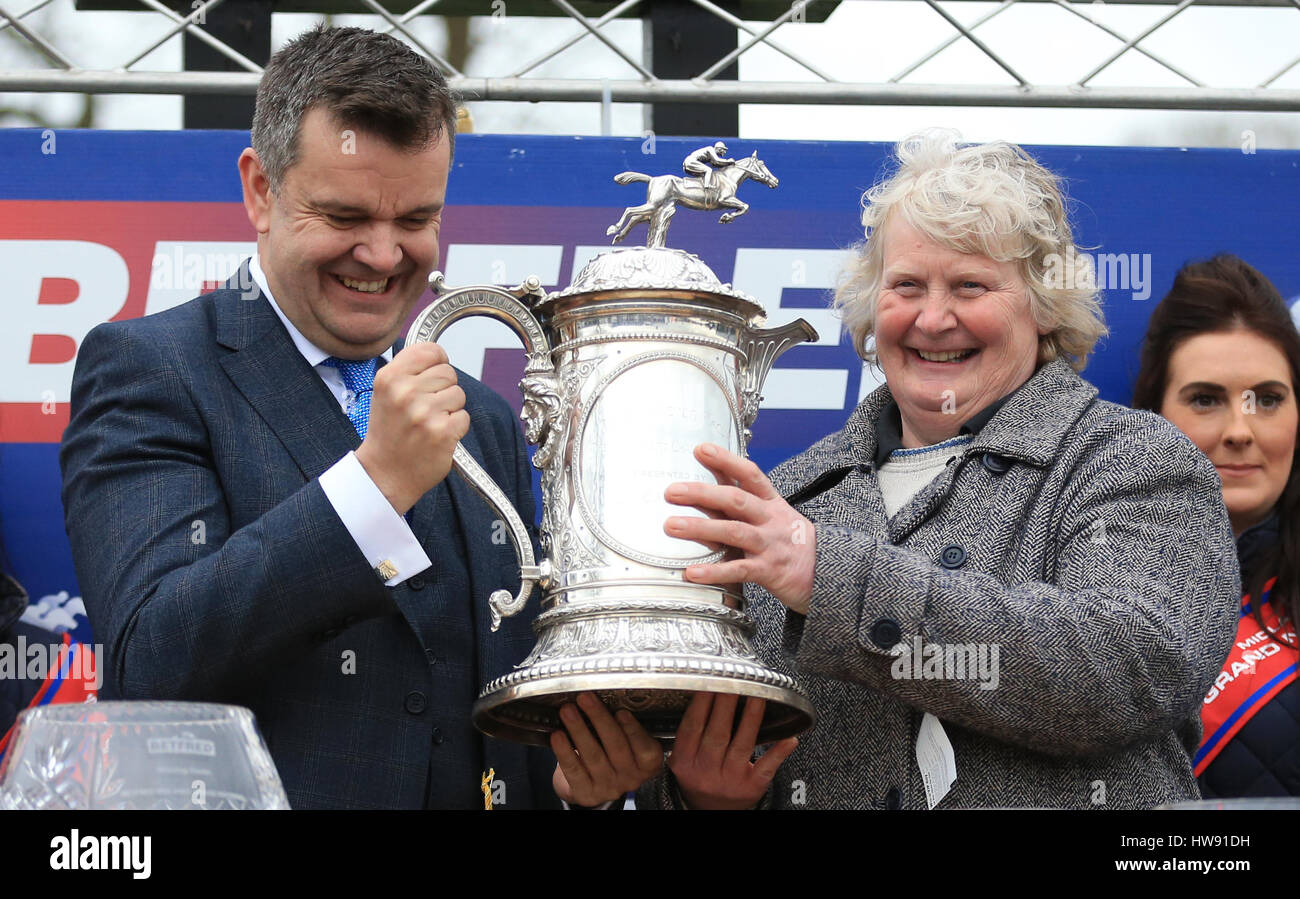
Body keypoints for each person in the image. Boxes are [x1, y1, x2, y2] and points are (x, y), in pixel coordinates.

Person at [58, 24, 654, 809]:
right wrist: (374, 486)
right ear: (261, 190)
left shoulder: (484, 416)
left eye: (415, 219)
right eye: (344, 216)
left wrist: (582, 790)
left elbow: (506, 730)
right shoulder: (151, 370)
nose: (382, 254)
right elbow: (151, 660)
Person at [638, 130, 1241, 809]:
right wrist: (701, 798)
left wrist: (832, 579)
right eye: (906, 286)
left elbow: (1128, 667)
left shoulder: (1134, 460)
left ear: (1043, 305)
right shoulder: (787, 504)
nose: (932, 317)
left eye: (969, 285)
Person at [1133, 255, 1299, 798]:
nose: (1238, 431)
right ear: (1151, 416)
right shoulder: (1074, 588)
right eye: (1205, 399)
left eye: (1267, 400)